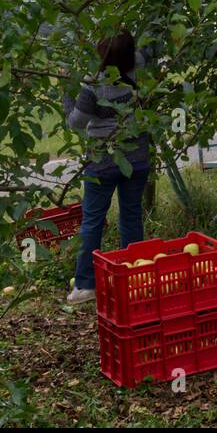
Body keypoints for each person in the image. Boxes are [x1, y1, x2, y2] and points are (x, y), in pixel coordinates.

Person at [62, 32, 152, 305]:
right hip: (136, 158)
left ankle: (86, 286)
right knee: (132, 216)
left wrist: (67, 90)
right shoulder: (140, 68)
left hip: (102, 161)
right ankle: (134, 276)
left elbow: (76, 122)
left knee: (92, 220)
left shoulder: (93, 84)